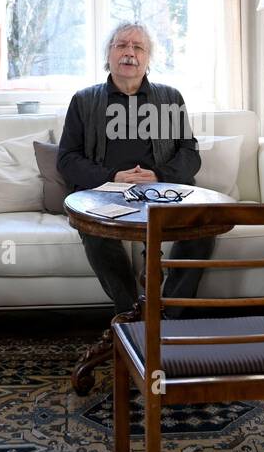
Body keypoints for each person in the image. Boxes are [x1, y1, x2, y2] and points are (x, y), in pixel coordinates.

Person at [58, 22, 214, 315]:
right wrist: (112, 177)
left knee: (204, 229)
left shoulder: (170, 98)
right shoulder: (83, 101)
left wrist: (159, 175)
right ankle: (133, 315)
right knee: (94, 232)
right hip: (104, 193)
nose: (129, 53)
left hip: (161, 191)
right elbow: (67, 158)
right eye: (121, 45)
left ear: (148, 58)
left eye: (138, 47)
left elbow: (190, 153)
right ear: (109, 54)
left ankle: (170, 316)